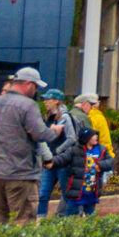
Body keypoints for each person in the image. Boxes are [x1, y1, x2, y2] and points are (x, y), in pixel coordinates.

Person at [0, 67, 63, 226]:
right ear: (29, 84)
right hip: (19, 173)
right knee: (23, 218)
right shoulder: (28, 105)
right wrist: (54, 132)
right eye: (36, 86)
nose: (36, 90)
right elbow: (39, 134)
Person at [35, 89, 82, 218]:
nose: (44, 102)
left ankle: (70, 218)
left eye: (47, 99)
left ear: (56, 101)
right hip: (49, 161)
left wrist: (57, 151)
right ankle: (40, 220)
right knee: (43, 194)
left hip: (63, 162)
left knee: (67, 192)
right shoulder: (48, 117)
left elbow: (72, 138)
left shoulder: (65, 117)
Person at [59, 127, 110, 218]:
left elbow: (110, 161)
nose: (96, 137)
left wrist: (101, 165)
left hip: (91, 191)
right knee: (70, 216)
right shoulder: (74, 150)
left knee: (90, 217)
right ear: (87, 139)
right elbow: (63, 158)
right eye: (93, 135)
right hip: (77, 191)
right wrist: (51, 161)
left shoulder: (101, 149)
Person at [72, 94, 113, 159]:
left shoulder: (71, 114)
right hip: (92, 155)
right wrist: (109, 156)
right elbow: (105, 140)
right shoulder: (97, 118)